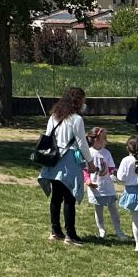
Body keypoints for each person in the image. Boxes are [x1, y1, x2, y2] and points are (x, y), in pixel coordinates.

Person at [38, 87, 90, 246]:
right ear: (77, 102)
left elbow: (48, 135)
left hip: (54, 160)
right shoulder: (76, 120)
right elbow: (82, 143)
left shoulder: (54, 116)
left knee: (56, 197)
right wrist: (90, 162)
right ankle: (71, 234)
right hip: (68, 161)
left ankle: (55, 231)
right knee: (69, 197)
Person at [85, 126, 124, 240]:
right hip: (96, 187)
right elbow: (85, 171)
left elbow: (111, 167)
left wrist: (113, 174)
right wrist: (88, 181)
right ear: (97, 139)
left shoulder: (106, 153)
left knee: (113, 209)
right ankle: (101, 230)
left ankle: (119, 231)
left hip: (108, 187)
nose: (106, 140)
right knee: (99, 210)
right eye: (104, 138)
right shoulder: (89, 153)